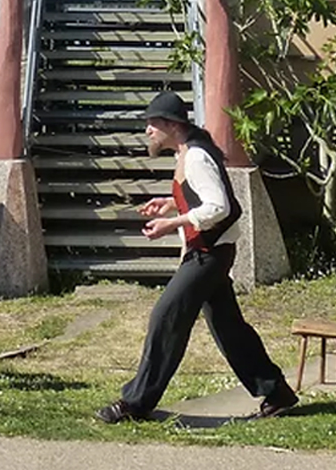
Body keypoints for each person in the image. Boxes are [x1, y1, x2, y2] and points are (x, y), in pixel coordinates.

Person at [95, 92, 299, 423]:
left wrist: (172, 223)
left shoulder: (196, 157)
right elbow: (202, 198)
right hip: (209, 253)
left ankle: (136, 403)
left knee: (166, 317)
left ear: (172, 125)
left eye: (153, 123)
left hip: (208, 255)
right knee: (229, 328)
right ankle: (277, 393)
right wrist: (171, 204)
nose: (148, 131)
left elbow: (219, 207)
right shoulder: (187, 153)